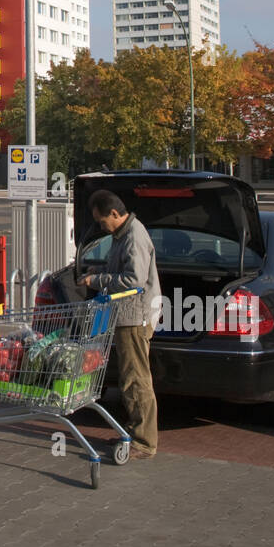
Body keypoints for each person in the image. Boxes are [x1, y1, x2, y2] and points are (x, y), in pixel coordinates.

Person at [78, 189, 161, 460]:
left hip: (134, 316)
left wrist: (98, 281)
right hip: (128, 315)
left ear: (115, 214)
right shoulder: (122, 235)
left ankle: (144, 442)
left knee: (135, 380)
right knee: (130, 378)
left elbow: (133, 281)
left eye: (103, 222)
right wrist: (98, 271)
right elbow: (121, 270)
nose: (102, 227)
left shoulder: (133, 237)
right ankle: (135, 431)